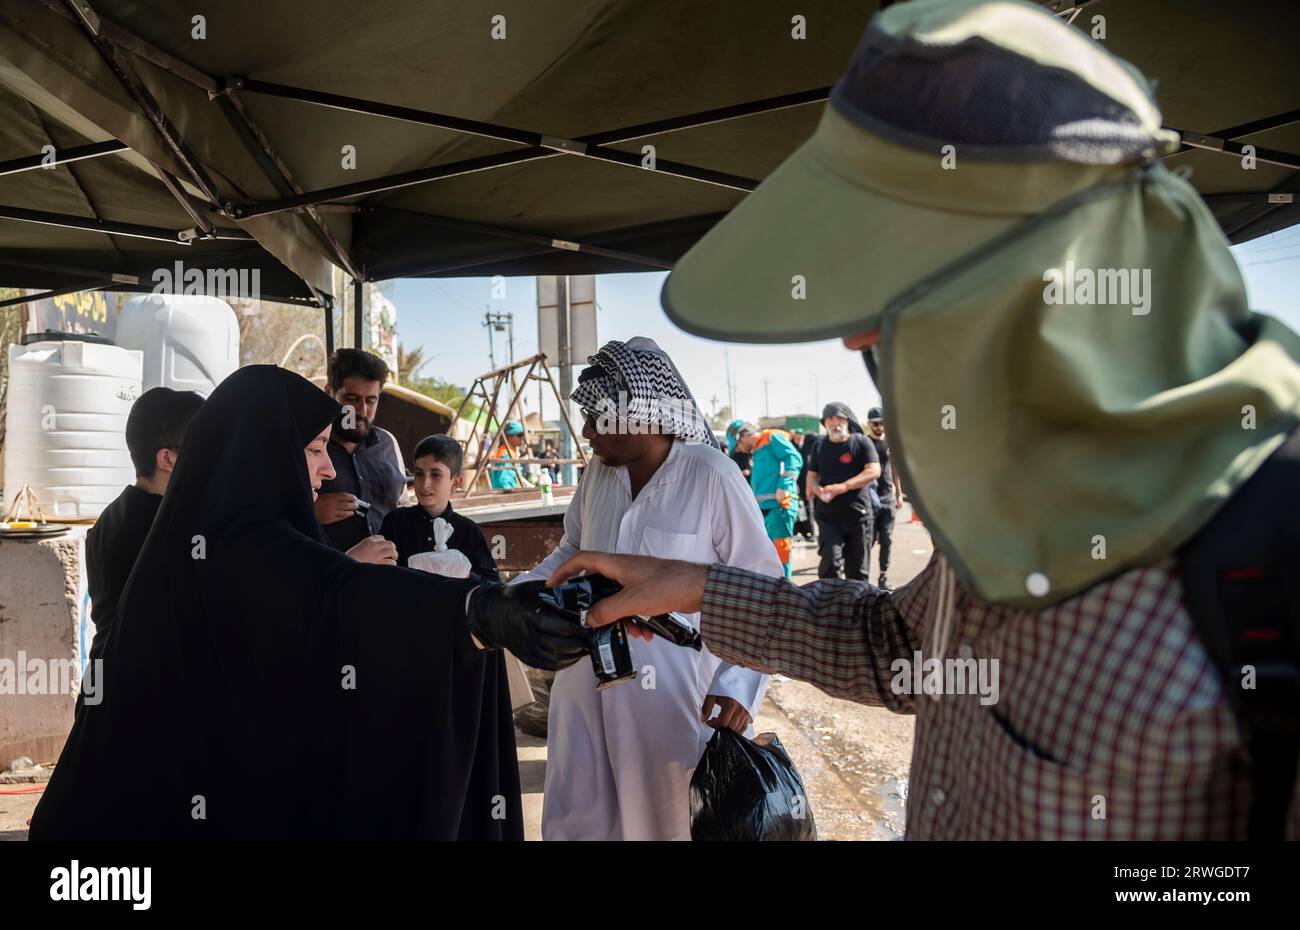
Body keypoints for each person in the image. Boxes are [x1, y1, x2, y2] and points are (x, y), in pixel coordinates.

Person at [547, 0, 1300, 839]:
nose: (857, 337)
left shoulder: (1268, 554)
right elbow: (900, 653)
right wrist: (697, 586)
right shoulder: (1014, 510)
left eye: (907, 289)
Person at [30, 365, 588, 841]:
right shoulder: (234, 543)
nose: (326, 470)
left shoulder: (207, 534)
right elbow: (337, 597)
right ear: (265, 452)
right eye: (316, 449)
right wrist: (475, 611)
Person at [513, 337, 780, 841]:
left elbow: (762, 584)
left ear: (642, 414)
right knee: (578, 821)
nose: (587, 431)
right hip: (582, 682)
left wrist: (739, 685)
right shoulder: (599, 474)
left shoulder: (711, 476)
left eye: (597, 418)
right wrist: (522, 595)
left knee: (664, 825)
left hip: (673, 696)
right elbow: (572, 547)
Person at [83, 387, 203, 673]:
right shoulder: (167, 528)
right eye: (203, 446)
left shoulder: (109, 519)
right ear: (168, 459)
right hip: (140, 696)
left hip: (104, 688)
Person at [315, 349, 407, 554]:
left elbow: (403, 505)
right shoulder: (308, 445)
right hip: (331, 580)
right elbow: (274, 515)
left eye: (371, 400)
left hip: (391, 575)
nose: (362, 410)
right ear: (330, 394)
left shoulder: (388, 443)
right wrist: (311, 511)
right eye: (352, 398)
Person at [379, 433, 499, 580]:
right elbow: (379, 575)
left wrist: (465, 574)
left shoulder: (468, 531)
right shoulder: (396, 522)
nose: (425, 484)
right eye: (419, 474)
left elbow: (492, 585)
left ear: (455, 482)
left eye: (435, 474)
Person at [807, 402, 879, 581]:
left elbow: (873, 471)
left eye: (839, 418)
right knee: (829, 565)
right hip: (828, 518)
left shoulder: (861, 442)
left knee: (857, 573)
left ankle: (857, 607)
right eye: (830, 418)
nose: (834, 422)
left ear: (848, 421)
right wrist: (818, 490)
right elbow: (811, 476)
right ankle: (829, 607)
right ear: (825, 423)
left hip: (858, 517)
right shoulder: (819, 445)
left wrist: (843, 487)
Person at [734, 422, 803, 578]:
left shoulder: (771, 438)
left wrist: (784, 486)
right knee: (771, 558)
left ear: (743, 437)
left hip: (780, 506)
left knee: (781, 555)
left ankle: (786, 594)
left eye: (737, 445)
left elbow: (794, 458)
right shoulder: (757, 450)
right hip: (767, 510)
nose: (738, 450)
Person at [865, 406, 902, 590]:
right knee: (868, 541)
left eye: (882, 423)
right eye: (875, 423)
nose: (879, 427)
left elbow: (895, 470)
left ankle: (882, 576)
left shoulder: (890, 444)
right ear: (869, 424)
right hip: (870, 500)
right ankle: (862, 576)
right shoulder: (865, 443)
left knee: (886, 539)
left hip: (888, 498)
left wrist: (898, 494)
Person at [488, 419, 529, 490]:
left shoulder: (510, 452)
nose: (523, 438)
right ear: (509, 436)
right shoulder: (506, 454)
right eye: (520, 435)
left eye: (523, 435)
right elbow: (504, 482)